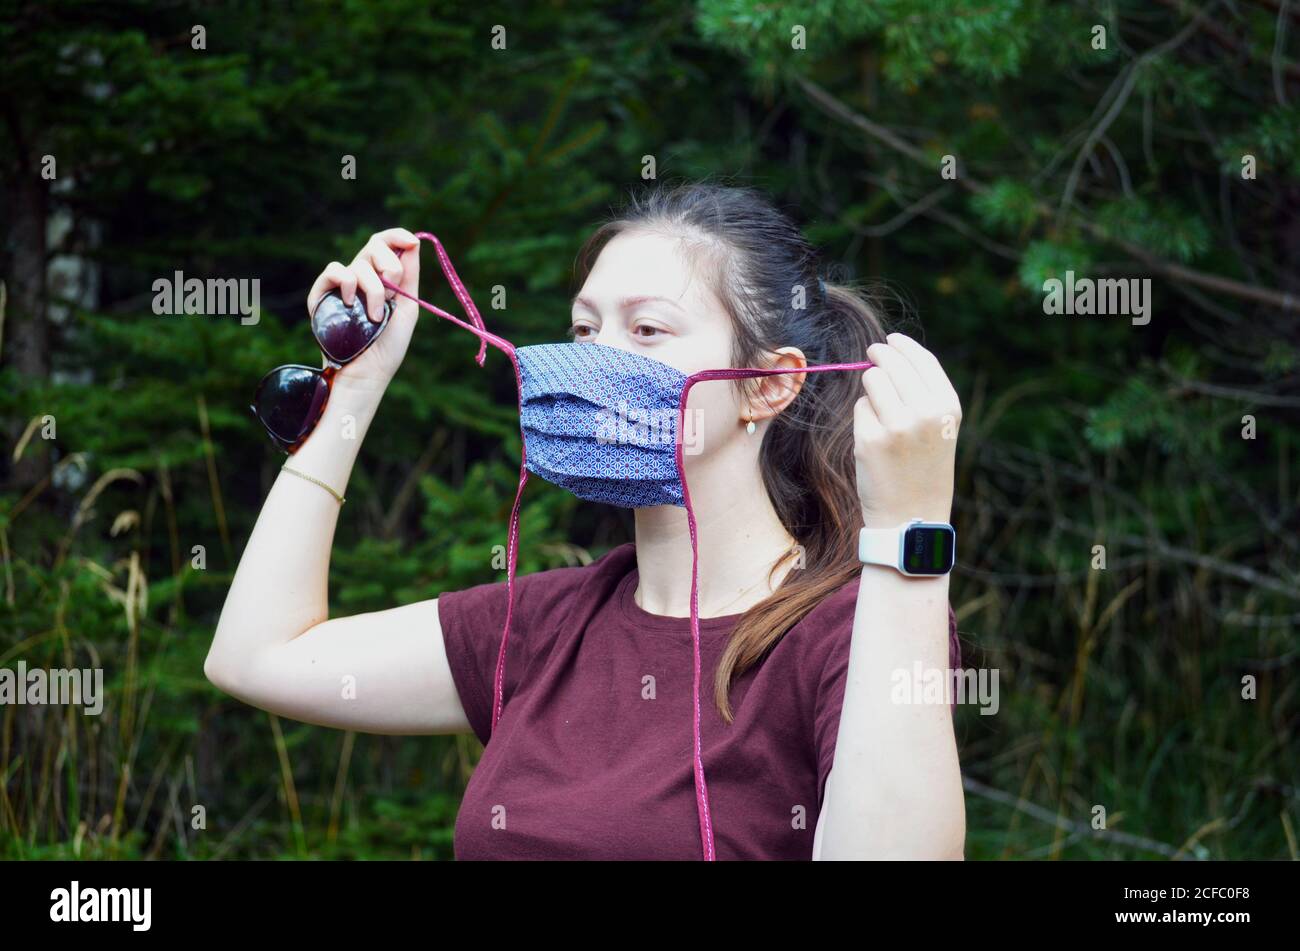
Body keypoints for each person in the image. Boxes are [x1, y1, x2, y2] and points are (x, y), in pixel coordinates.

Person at [205, 181, 966, 860]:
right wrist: (357, 386)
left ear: (767, 386)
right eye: (583, 329)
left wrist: (909, 532)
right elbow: (257, 656)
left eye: (646, 331)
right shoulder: (549, 624)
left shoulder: (852, 630)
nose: (593, 360)